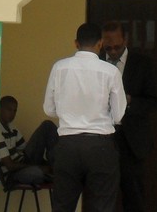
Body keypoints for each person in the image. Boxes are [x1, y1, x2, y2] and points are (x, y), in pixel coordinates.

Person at [44, 22, 127, 212]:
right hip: (101, 146)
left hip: (67, 146)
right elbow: (118, 115)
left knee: (63, 206)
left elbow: (49, 109)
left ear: (76, 43)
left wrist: (68, 113)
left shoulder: (59, 68)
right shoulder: (111, 71)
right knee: (103, 206)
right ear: (100, 44)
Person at [101, 21, 157, 212]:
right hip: (102, 137)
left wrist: (129, 100)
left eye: (117, 46)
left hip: (132, 141)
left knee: (134, 195)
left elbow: (153, 102)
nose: (112, 51)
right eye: (108, 47)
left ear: (125, 40)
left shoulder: (142, 63)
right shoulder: (96, 63)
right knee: (101, 193)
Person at [0, 94, 59, 188]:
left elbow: (27, 149)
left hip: (25, 162)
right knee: (36, 172)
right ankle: (54, 172)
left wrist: (42, 163)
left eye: (15, 110)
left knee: (47, 126)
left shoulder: (12, 128)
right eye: (9, 109)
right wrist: (35, 166)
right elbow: (10, 166)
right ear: (0, 109)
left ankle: (56, 168)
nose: (12, 114)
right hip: (12, 174)